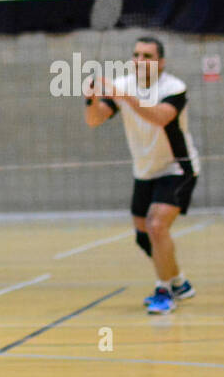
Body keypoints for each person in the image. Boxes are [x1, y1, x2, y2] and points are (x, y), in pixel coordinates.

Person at [84, 36, 199, 314]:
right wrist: (90, 97)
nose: (140, 61)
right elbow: (94, 120)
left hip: (177, 168)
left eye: (147, 56)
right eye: (136, 55)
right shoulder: (123, 85)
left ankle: (164, 291)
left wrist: (123, 97)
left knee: (157, 226)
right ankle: (179, 281)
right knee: (143, 236)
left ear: (161, 62)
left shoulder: (174, 87)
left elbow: (159, 117)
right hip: (144, 170)